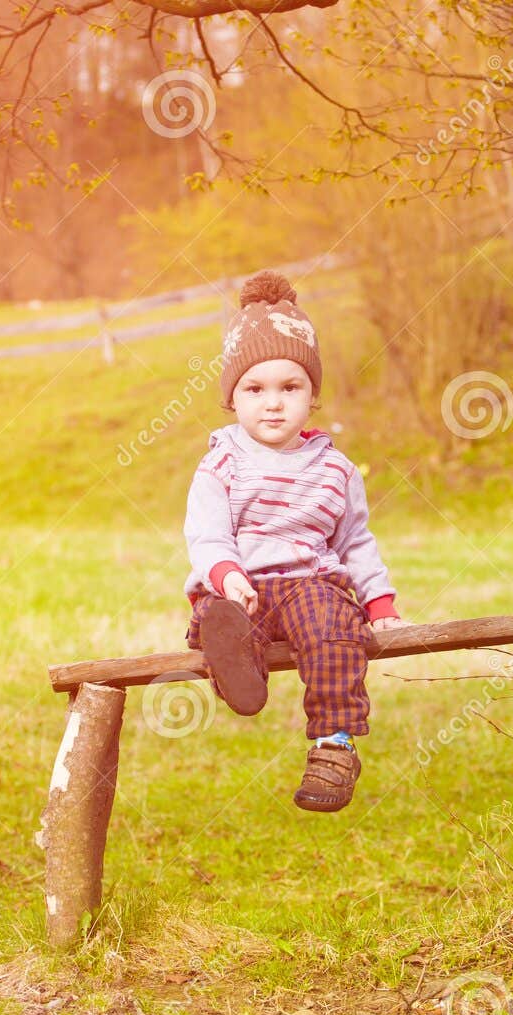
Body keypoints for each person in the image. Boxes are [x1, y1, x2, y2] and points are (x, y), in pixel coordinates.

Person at [182, 270, 409, 812]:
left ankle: (334, 747)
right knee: (226, 621)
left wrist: (378, 603)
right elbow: (207, 534)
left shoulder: (335, 469)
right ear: (232, 398)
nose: (273, 403)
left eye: (291, 387)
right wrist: (229, 577)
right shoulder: (221, 462)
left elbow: (356, 542)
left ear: (313, 395)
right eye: (254, 389)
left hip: (311, 583)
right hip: (244, 590)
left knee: (334, 632)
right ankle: (237, 667)